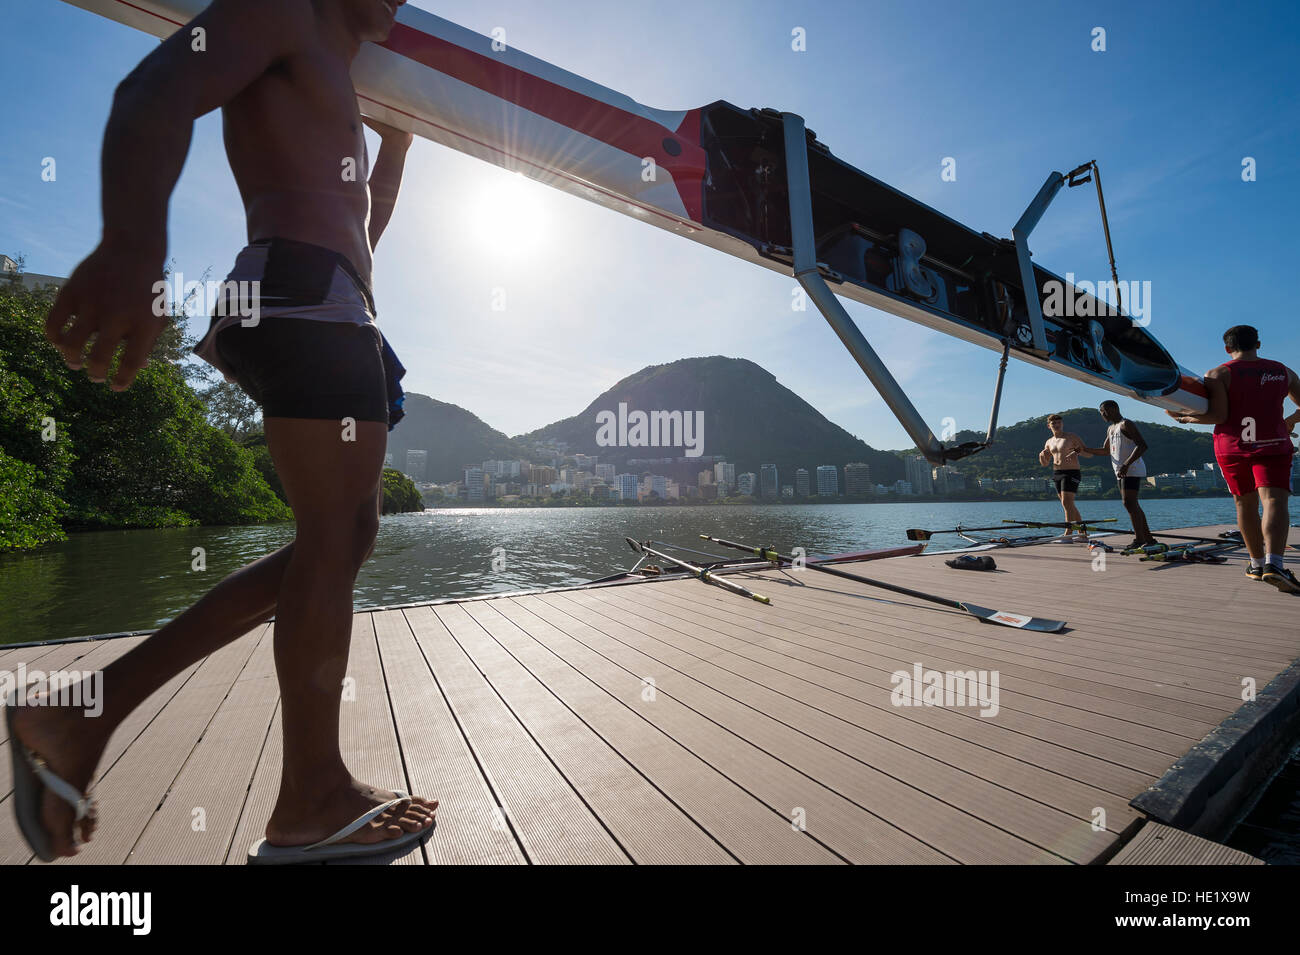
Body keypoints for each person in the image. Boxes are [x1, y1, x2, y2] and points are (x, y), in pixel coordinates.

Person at [14, 0, 437, 863]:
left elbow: (361, 226)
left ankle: (82, 711)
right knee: (333, 535)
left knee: (344, 533)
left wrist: (395, 148)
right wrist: (132, 247)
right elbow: (152, 92)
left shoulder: (334, 69)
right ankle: (310, 796)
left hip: (330, 295)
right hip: (299, 292)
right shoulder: (282, 10)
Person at [1168, 324, 1300, 593]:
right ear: (1258, 344)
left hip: (1233, 447)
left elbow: (1217, 417)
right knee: (1274, 500)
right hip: (1273, 443)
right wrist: (1289, 421)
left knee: (1244, 504)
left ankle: (1256, 563)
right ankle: (1275, 564)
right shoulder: (1283, 371)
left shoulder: (1218, 374)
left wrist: (1182, 417)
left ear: (1227, 348)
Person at [1082, 401, 1157, 548]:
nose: (1102, 414)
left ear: (1115, 409)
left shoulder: (1126, 424)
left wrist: (1126, 464)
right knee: (1132, 504)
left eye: (1104, 411)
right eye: (1101, 412)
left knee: (1128, 502)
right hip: (1120, 471)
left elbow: (1142, 445)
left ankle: (1140, 539)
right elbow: (1105, 450)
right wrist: (1084, 450)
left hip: (1132, 469)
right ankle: (1148, 539)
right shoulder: (1111, 429)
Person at [1038, 413, 1093, 542]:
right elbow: (1045, 464)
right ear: (1049, 426)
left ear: (1062, 424)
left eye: (1059, 423)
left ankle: (1069, 532)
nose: (1057, 425)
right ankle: (1083, 532)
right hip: (1057, 473)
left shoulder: (1071, 437)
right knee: (1068, 504)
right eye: (1054, 424)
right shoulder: (1049, 442)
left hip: (1072, 472)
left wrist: (1080, 451)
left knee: (1067, 502)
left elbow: (1089, 454)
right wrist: (1041, 455)